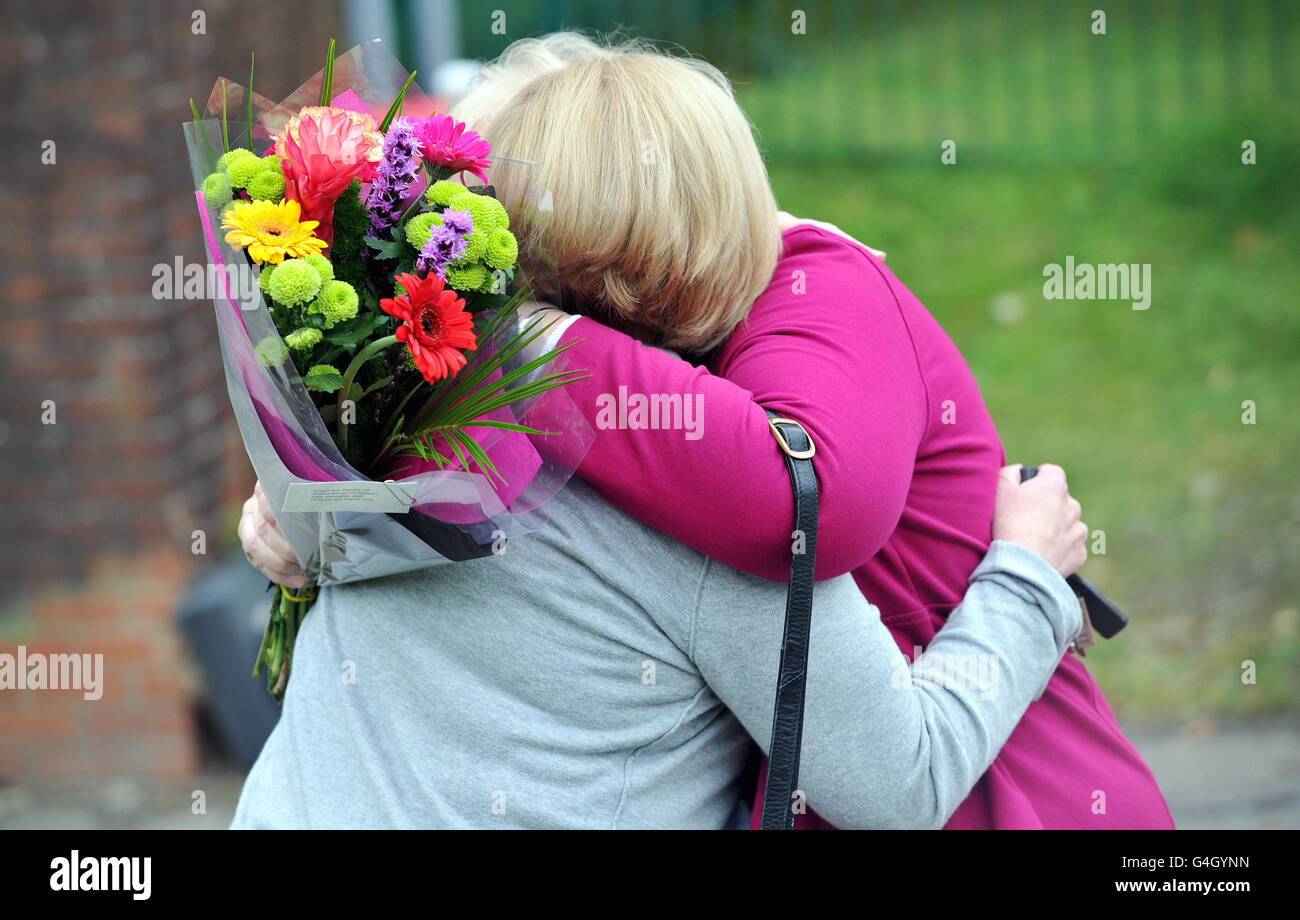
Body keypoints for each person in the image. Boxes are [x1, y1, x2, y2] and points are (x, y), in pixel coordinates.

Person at [239, 34, 1172, 828]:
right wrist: (1028, 577)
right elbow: (900, 781)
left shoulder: (383, 412)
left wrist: (287, 513)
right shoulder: (708, 511)